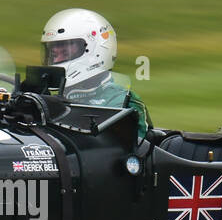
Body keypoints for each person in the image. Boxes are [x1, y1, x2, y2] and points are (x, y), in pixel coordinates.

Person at [40, 8, 148, 139]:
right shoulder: (50, 99)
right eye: (53, 55)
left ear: (95, 51)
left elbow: (129, 151)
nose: (55, 61)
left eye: (65, 53)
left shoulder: (122, 101)